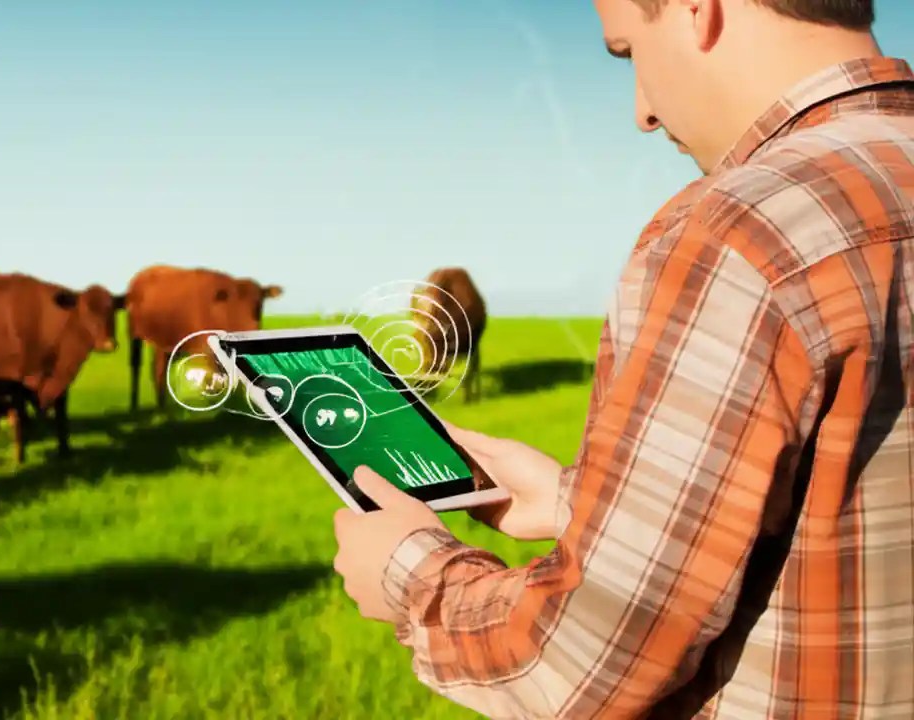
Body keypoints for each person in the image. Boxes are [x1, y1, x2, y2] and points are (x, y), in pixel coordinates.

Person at [331, 1, 914, 717]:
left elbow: (587, 664)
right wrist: (574, 501)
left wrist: (411, 574)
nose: (642, 111)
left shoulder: (742, 232)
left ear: (699, 10)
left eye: (625, 50)